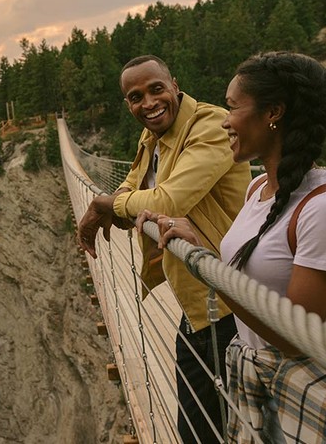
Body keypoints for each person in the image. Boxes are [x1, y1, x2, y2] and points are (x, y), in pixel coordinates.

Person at [150, 52, 326, 442]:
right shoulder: (258, 190)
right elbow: (251, 274)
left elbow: (292, 336)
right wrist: (200, 244)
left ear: (274, 112)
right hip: (257, 381)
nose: (224, 120)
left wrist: (207, 269)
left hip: (305, 393)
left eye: (233, 107)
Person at [76, 55, 251, 443]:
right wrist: (120, 201)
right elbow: (132, 188)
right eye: (136, 97)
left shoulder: (210, 125)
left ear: (174, 84)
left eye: (156, 89)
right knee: (197, 427)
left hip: (228, 302)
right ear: (128, 104)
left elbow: (166, 202)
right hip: (196, 303)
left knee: (224, 428)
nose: (149, 102)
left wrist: (107, 204)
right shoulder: (152, 135)